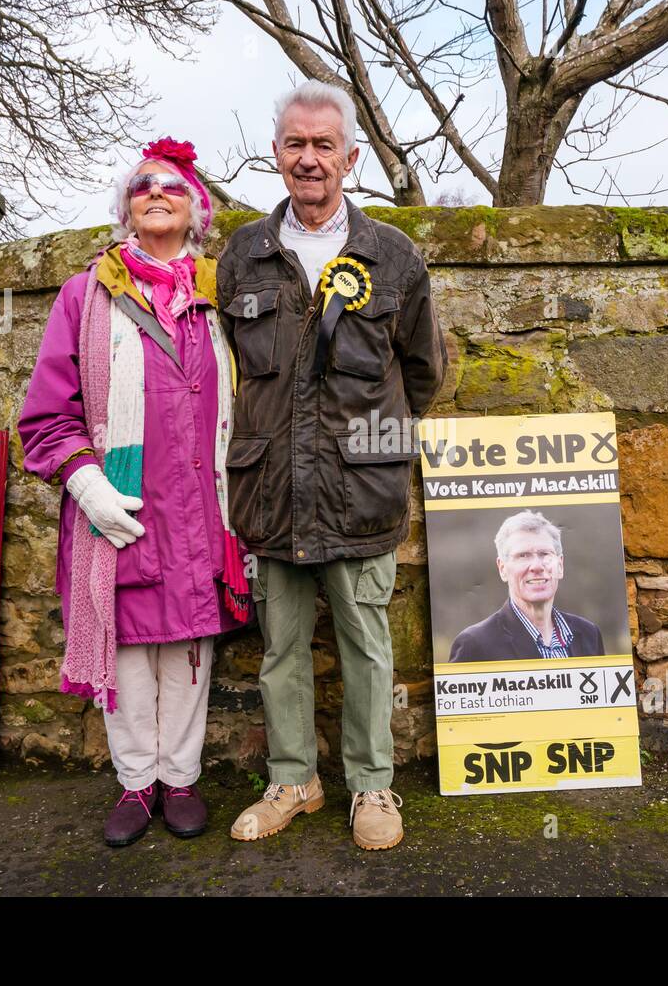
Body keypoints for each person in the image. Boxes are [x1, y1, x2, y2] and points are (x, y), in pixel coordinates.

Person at [217, 81, 447, 851]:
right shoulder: (243, 256)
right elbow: (230, 376)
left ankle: (372, 783)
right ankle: (294, 779)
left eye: (324, 145)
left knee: (366, 646)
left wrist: (370, 444)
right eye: (294, 143)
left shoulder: (393, 257)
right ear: (276, 154)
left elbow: (422, 375)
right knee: (281, 647)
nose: (309, 158)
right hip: (273, 491)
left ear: (350, 157)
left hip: (360, 493)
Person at [18, 137, 250, 847]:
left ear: (197, 212)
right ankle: (135, 783)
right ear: (126, 204)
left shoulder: (221, 296)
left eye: (173, 187)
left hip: (203, 511)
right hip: (120, 511)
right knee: (127, 654)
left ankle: (180, 778)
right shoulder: (85, 296)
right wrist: (88, 486)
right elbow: (46, 413)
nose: (156, 193)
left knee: (187, 651)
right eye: (143, 184)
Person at [448, 511, 605, 663]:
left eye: (545, 554)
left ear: (560, 566)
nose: (537, 566)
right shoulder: (474, 645)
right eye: (523, 556)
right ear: (502, 569)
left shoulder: (590, 634)